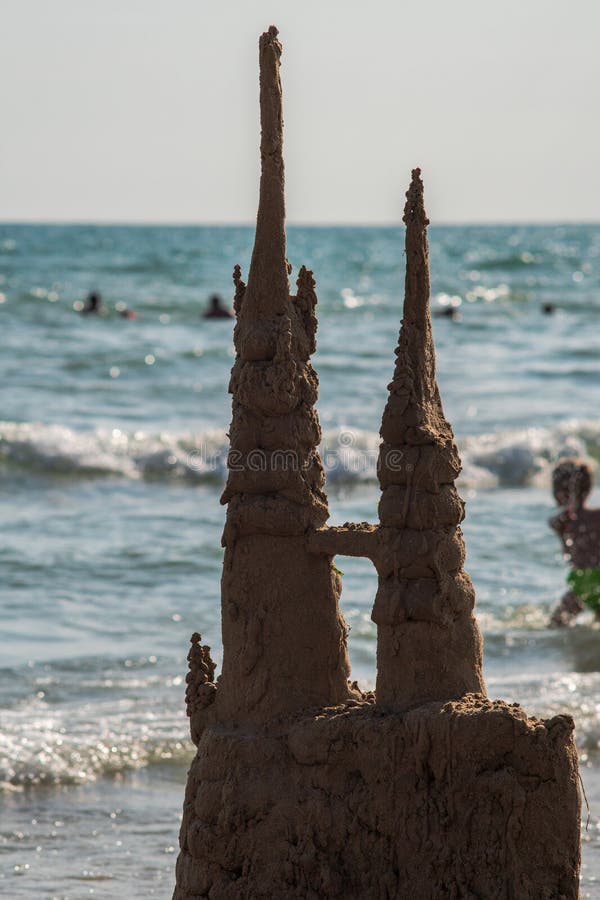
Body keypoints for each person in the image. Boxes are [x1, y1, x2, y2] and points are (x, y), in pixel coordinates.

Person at [549, 457, 600, 626]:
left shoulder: (561, 522)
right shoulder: (596, 516)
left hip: (581, 583)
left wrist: (560, 532)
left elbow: (569, 556)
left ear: (559, 492)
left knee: (556, 623)